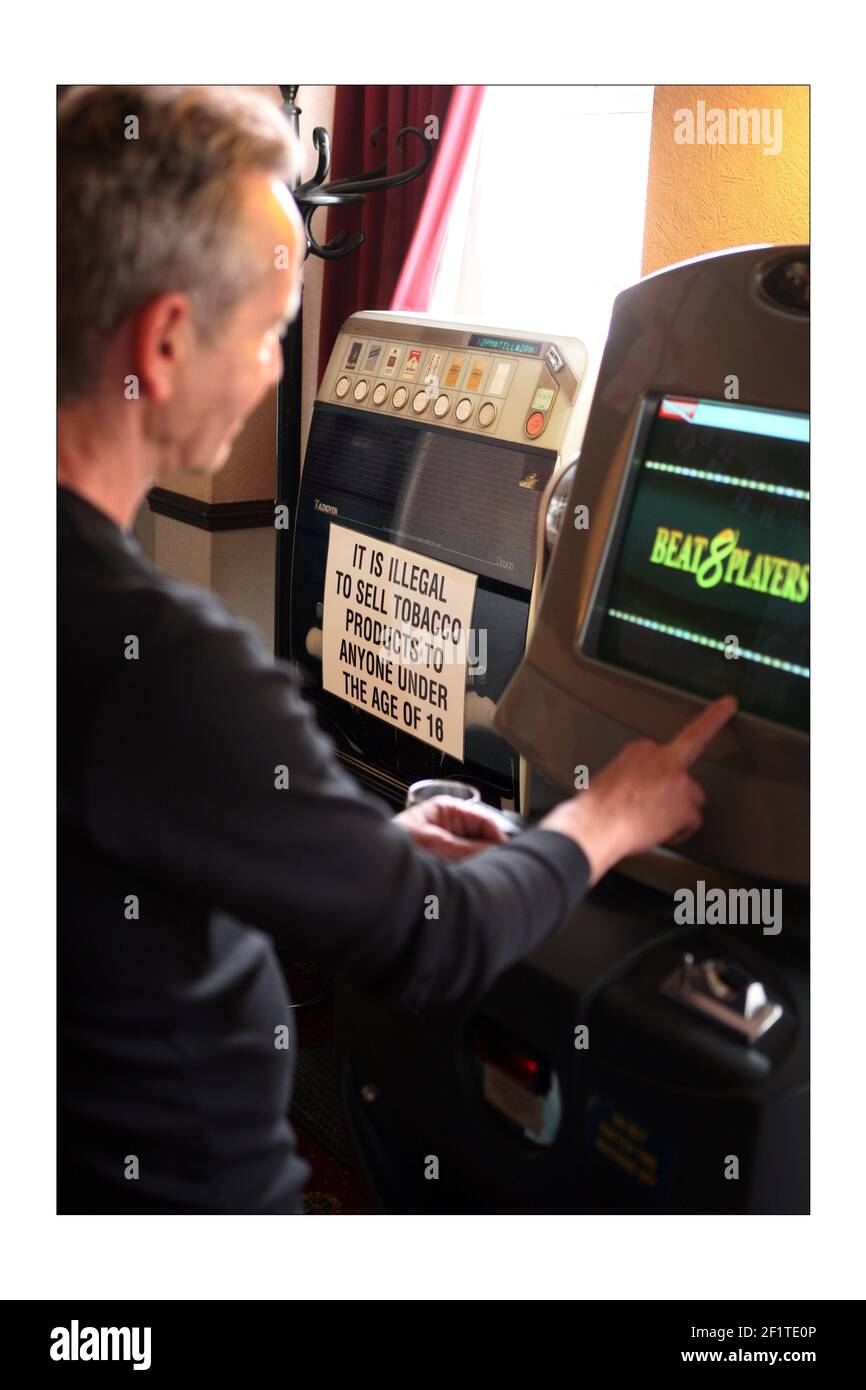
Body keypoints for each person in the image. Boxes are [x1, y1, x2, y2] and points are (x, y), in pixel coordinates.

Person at [58, 85, 736, 1214]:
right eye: (269, 335)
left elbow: (147, 833)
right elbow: (439, 942)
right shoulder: (168, 664)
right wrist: (609, 814)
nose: (282, 371)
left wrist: (359, 841)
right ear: (166, 338)